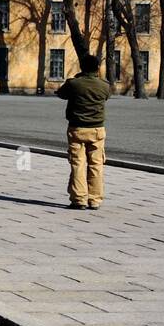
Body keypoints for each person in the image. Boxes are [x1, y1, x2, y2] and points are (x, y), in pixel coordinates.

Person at [55, 53, 111, 210]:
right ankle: (95, 199)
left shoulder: (74, 84)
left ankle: (79, 199)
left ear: (81, 67)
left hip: (77, 129)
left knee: (78, 164)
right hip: (97, 129)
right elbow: (107, 96)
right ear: (98, 68)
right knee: (96, 164)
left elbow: (61, 94)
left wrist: (77, 77)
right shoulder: (104, 85)